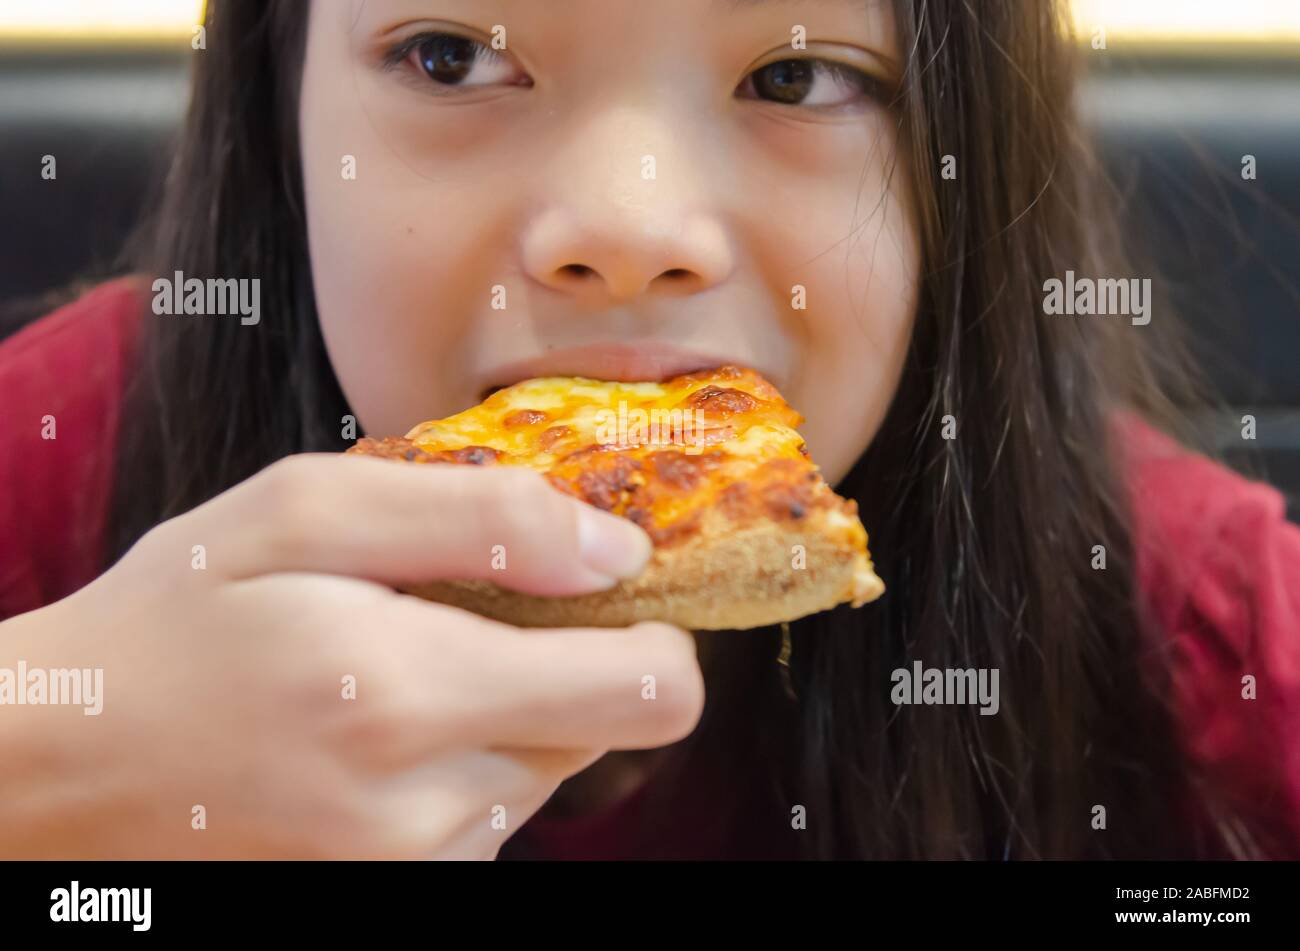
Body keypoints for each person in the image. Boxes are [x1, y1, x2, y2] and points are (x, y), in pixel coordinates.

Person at [1, 0, 1296, 859]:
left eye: (796, 75)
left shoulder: (1192, 620)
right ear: (276, 117)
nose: (627, 227)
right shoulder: (59, 456)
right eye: (451, 56)